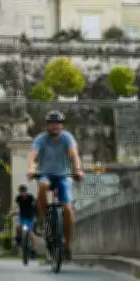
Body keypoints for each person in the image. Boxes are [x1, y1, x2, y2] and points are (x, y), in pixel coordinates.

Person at [26, 109, 85, 260]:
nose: (55, 126)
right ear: (47, 126)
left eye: (57, 123)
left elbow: (74, 155)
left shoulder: (67, 137)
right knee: (43, 186)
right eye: (52, 123)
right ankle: (45, 218)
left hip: (63, 176)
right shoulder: (40, 139)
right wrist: (31, 169)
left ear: (61, 126)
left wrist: (78, 170)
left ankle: (67, 244)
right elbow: (32, 156)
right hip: (45, 174)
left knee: (67, 208)